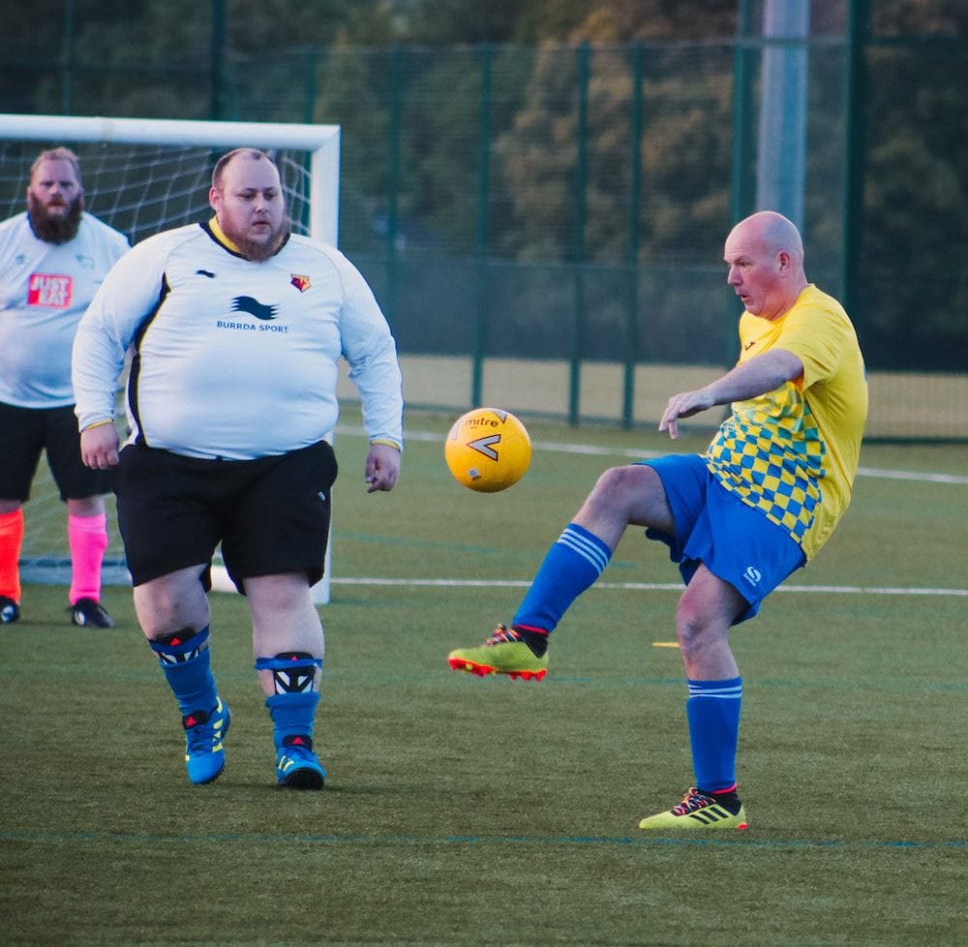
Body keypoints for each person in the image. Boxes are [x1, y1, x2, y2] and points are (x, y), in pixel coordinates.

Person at [447, 211, 867, 831]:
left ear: (784, 262)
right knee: (617, 486)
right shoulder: (755, 316)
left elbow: (777, 370)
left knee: (697, 624)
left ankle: (719, 799)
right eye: (727, 263)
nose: (730, 277)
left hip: (783, 506)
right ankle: (528, 639)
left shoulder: (819, 319)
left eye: (742, 263)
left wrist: (709, 393)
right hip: (722, 475)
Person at [72, 147, 404, 790]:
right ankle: (202, 717)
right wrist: (94, 418)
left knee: (283, 595)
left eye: (272, 196)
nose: (262, 207)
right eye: (247, 195)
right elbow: (98, 336)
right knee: (167, 603)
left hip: (285, 465)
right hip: (168, 464)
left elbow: (376, 352)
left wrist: (386, 438)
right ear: (215, 200)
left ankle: (295, 743)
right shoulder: (164, 257)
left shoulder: (326, 268)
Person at [0, 147, 129, 628]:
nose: (57, 192)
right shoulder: (4, 239)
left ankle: (86, 599)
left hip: (80, 403)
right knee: (3, 498)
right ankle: (5, 595)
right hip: (7, 397)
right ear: (30, 190)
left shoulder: (111, 245)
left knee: (85, 497)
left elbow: (131, 319)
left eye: (66, 184)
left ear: (81, 191)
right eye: (48, 184)